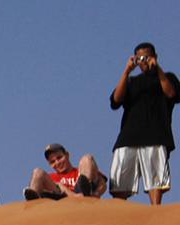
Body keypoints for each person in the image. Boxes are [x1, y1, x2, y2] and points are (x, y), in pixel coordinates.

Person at [109, 42, 179, 205]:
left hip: (155, 135)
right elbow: (116, 100)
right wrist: (127, 71)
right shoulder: (131, 82)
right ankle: (119, 214)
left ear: (154, 56)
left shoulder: (167, 77)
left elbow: (171, 93)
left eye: (146, 57)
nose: (143, 61)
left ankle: (155, 212)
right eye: (139, 58)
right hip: (128, 137)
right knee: (120, 181)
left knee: (156, 180)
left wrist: (158, 68)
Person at [23, 144, 106, 200]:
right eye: (52, 162)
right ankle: (33, 205)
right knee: (37, 172)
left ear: (67, 155)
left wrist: (97, 193)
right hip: (60, 198)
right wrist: (73, 196)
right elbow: (57, 187)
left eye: (59, 158)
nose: (57, 163)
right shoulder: (50, 178)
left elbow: (102, 182)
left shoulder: (80, 171)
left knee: (87, 158)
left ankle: (87, 190)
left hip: (82, 194)